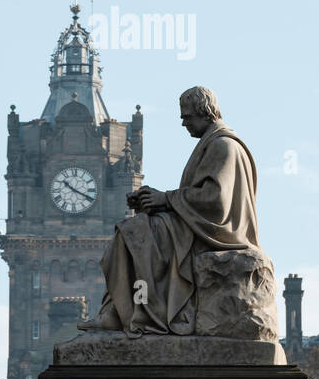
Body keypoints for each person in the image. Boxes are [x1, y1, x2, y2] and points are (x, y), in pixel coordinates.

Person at [86, 85, 264, 336]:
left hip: (216, 234)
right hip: (200, 226)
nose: (183, 124)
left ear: (204, 112)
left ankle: (137, 314)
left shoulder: (223, 145)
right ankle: (119, 311)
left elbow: (217, 201)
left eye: (187, 117)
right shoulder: (211, 143)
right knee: (133, 229)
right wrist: (155, 200)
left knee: (134, 232)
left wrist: (166, 199)